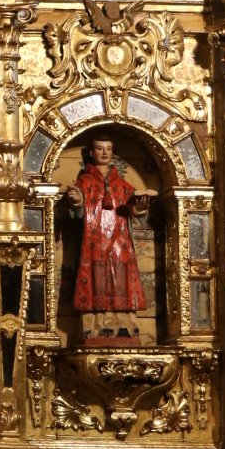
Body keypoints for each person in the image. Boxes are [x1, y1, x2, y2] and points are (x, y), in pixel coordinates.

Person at [65, 134, 149, 338]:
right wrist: (77, 201)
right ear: (92, 152)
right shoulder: (84, 182)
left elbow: (135, 213)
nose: (104, 152)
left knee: (121, 279)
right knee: (96, 278)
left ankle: (124, 323)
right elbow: (77, 212)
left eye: (108, 148)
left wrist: (139, 207)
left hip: (120, 240)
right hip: (94, 241)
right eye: (100, 148)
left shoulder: (122, 185)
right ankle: (95, 324)